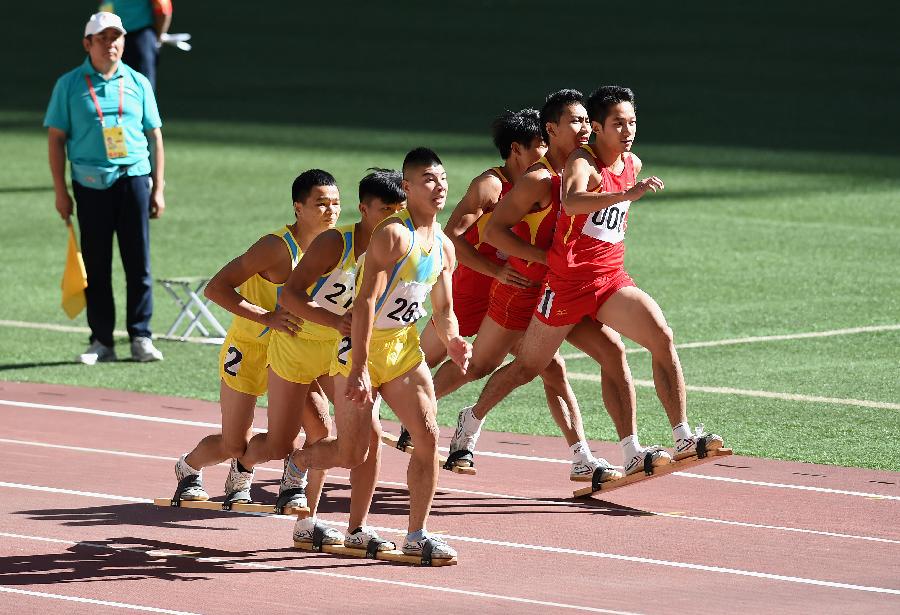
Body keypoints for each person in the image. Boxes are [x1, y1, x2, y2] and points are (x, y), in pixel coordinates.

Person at [452, 86, 723, 475]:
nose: (628, 130)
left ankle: (669, 439)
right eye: (618, 123)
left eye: (632, 122)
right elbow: (575, 199)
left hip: (609, 279)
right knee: (529, 367)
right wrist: (626, 195)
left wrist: (627, 191)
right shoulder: (582, 163)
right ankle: (472, 419)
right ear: (598, 127)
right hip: (564, 285)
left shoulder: (632, 163)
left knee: (656, 337)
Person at [442, 90, 637, 481]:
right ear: (551, 130)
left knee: (596, 356)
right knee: (481, 365)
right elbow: (494, 233)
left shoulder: (589, 171)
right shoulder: (539, 179)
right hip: (522, 289)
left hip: (564, 290)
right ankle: (436, 416)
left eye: (587, 121)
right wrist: (539, 261)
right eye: (575, 122)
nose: (584, 129)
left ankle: (595, 456)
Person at [292, 148, 471, 561]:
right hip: (363, 349)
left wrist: (454, 338)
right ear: (408, 188)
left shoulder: (443, 247)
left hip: (404, 349)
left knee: (428, 437)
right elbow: (367, 302)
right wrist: (357, 367)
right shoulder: (393, 235)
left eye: (442, 178)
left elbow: (443, 309)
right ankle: (299, 461)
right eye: (428, 178)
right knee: (353, 451)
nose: (439, 185)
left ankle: (417, 534)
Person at [171, 170, 337, 511]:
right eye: (320, 203)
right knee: (233, 442)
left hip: (293, 352)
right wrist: (267, 318)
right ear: (298, 208)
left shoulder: (335, 246)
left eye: (336, 203)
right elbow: (216, 288)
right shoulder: (275, 248)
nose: (330, 211)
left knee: (317, 430)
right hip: (250, 348)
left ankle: (268, 481)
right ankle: (189, 467)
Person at [279, 169, 406, 551]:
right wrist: (336, 321)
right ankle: (299, 509)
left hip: (347, 350)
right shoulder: (337, 243)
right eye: (385, 210)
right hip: (302, 346)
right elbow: (289, 296)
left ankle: (357, 528)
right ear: (364, 209)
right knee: (313, 433)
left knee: (368, 436)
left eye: (399, 210)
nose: (393, 219)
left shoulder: (403, 243)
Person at [45, 11, 166, 365]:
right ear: (88, 44)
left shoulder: (138, 82)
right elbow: (55, 140)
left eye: (117, 38)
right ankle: (101, 341)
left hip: (133, 180)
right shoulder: (68, 85)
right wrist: (60, 191)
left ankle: (141, 336)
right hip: (90, 184)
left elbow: (154, 135)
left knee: (138, 263)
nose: (111, 44)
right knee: (96, 265)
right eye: (103, 38)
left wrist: (158, 187)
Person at [99, 0, 172, 90]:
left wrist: (158, 37)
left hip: (141, 37)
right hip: (115, 37)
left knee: (143, 88)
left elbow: (163, 9)